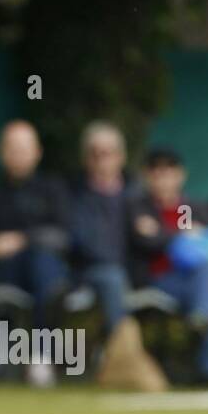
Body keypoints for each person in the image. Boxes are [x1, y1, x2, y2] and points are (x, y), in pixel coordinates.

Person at [0, 120, 70, 386]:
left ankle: (41, 356)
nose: (18, 155)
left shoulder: (53, 189)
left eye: (24, 148)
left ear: (37, 152)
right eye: (13, 148)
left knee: (43, 265)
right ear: (1, 152)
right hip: (5, 273)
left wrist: (21, 240)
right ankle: (5, 357)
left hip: (46, 275)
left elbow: (66, 237)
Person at [127, 148, 208, 383]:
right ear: (147, 176)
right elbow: (147, 242)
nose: (163, 179)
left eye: (168, 172)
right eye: (156, 172)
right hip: (160, 278)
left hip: (195, 277)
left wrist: (165, 234)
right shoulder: (139, 207)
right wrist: (180, 236)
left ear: (180, 175)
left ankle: (203, 319)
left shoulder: (190, 207)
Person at [68, 121, 132, 334]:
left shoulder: (137, 192)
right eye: (96, 154)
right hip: (91, 272)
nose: (102, 160)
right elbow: (81, 242)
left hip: (136, 270)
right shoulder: (74, 196)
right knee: (112, 277)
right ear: (86, 159)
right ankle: (122, 354)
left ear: (121, 156)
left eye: (108, 153)